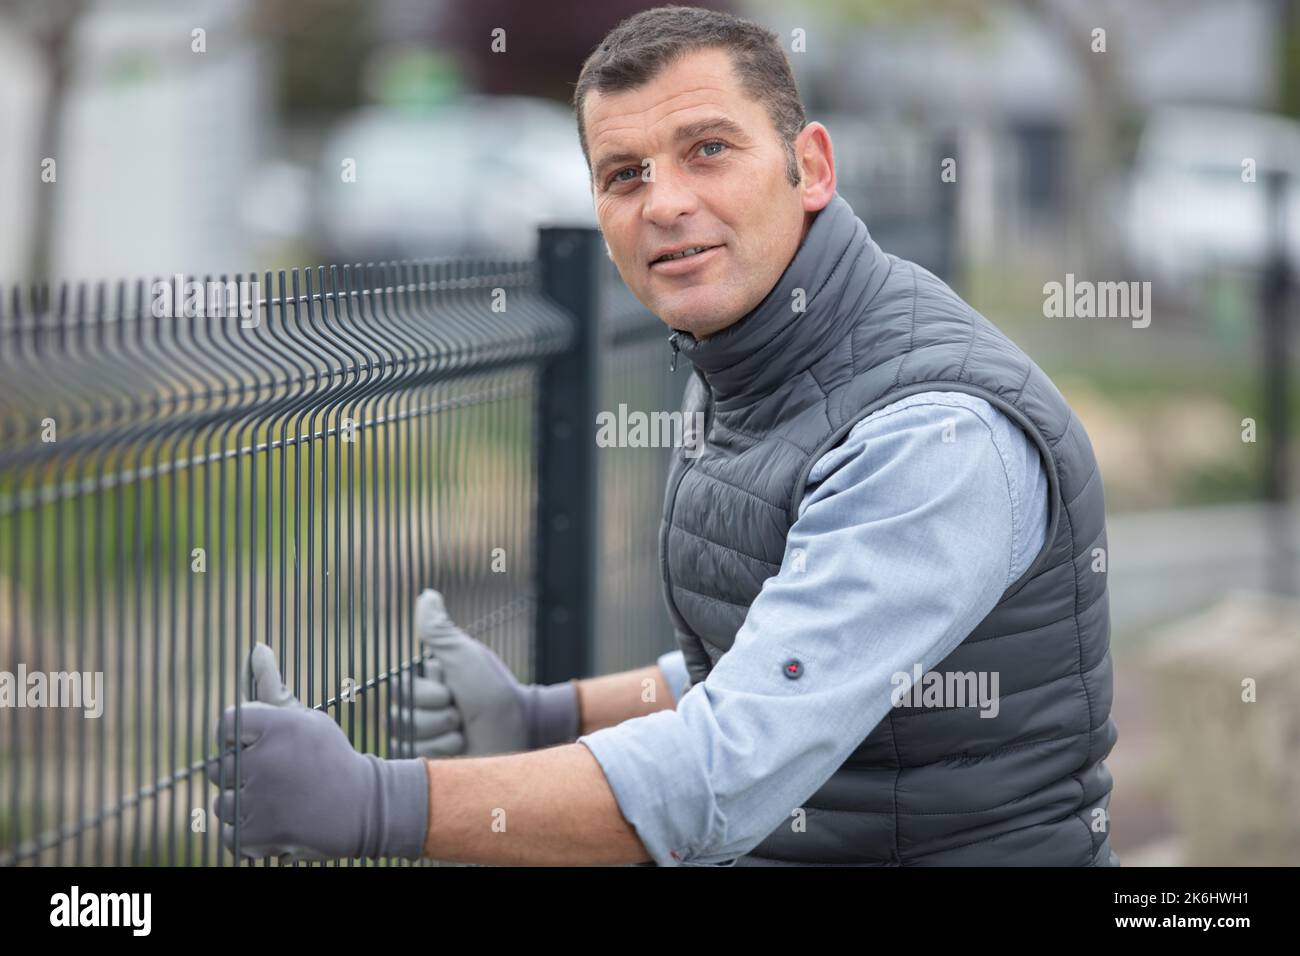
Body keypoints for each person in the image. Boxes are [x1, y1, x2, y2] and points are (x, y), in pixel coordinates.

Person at [207, 5, 1118, 867]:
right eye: (624, 174)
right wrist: (548, 715)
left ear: (811, 167)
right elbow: (772, 663)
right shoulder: (750, 359)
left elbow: (728, 765)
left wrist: (374, 803)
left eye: (708, 150)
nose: (665, 203)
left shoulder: (930, 438)